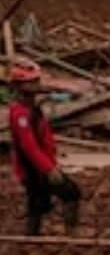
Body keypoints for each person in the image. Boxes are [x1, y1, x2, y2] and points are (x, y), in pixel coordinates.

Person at [8, 57, 81, 236]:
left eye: (36, 81)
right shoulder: (21, 115)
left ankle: (33, 239)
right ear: (19, 86)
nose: (36, 85)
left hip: (41, 167)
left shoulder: (32, 107)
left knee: (38, 206)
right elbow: (29, 147)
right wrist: (49, 169)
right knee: (70, 193)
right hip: (34, 169)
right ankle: (70, 236)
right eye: (31, 82)